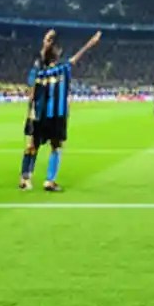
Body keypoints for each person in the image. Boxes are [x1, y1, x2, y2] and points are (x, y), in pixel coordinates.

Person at [22, 30, 103, 192]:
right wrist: (91, 43)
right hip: (52, 114)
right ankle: (43, 180)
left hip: (46, 113)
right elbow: (77, 56)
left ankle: (30, 178)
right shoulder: (58, 67)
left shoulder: (44, 69)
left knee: (39, 145)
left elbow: (31, 91)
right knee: (50, 146)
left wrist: (30, 113)